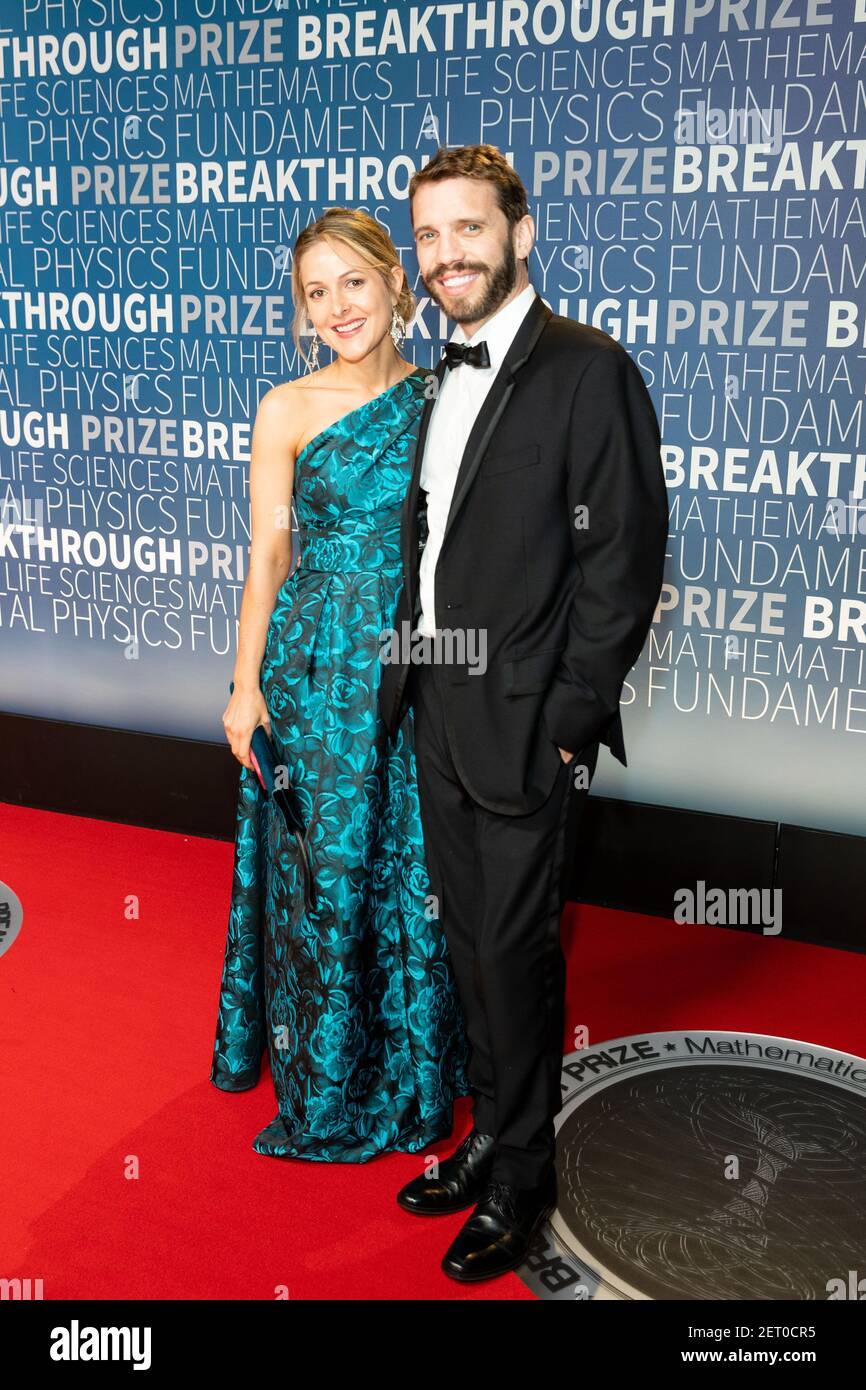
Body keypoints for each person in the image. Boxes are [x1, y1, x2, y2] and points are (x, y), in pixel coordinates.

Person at [379, 145, 669, 1279]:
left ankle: (524, 1173)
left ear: (521, 232)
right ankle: (490, 1136)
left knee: (513, 949)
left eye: (469, 228)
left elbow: (621, 566)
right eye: (429, 235)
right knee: (467, 942)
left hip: (526, 725)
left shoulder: (589, 370)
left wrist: (566, 720)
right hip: (436, 705)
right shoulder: (434, 375)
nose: (447, 253)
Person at [210, 207, 471, 1162]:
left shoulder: (444, 398)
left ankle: (416, 1065)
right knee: (325, 870)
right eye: (316, 293)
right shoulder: (286, 407)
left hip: (413, 665)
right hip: (314, 667)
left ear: (396, 281)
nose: (336, 308)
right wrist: (245, 686)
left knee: (413, 868)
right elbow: (270, 555)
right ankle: (325, 1076)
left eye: (353, 282)